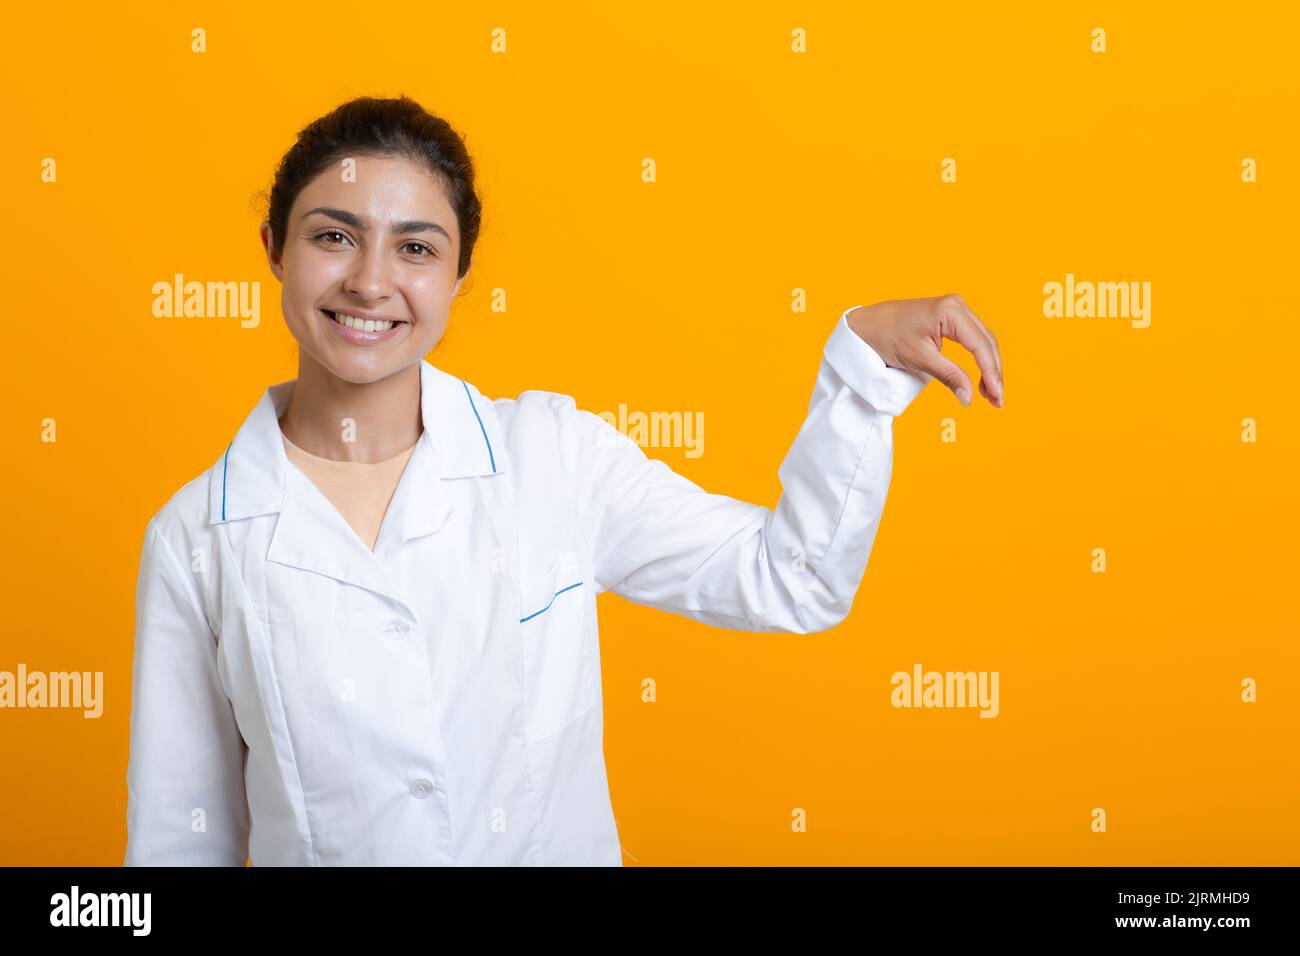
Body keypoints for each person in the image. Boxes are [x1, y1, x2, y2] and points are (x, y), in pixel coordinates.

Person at [123, 95, 1004, 867]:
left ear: (461, 274)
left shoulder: (552, 457)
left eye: (417, 247)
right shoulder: (197, 538)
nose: (371, 281)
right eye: (333, 236)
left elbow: (793, 580)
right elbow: (179, 842)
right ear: (275, 248)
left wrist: (863, 375)